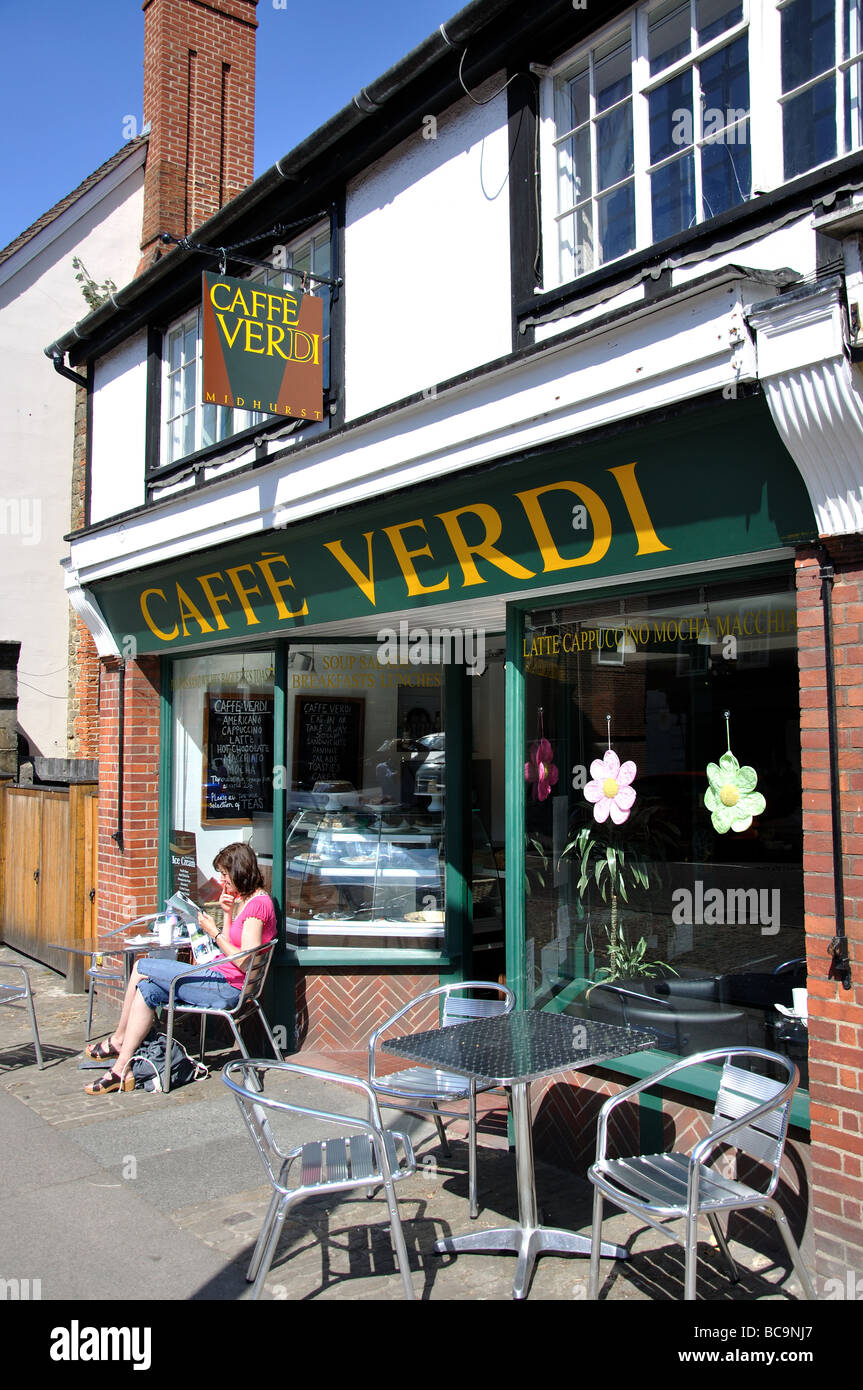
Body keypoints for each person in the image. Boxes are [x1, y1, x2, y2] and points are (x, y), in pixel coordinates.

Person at [84, 842, 276, 1094]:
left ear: (239, 871)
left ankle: (119, 1039)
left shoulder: (258, 906)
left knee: (142, 966)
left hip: (228, 988)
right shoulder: (250, 900)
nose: (222, 881)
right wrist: (227, 913)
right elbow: (236, 946)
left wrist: (213, 931)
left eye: (225, 875)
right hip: (223, 978)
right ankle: (122, 1068)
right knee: (147, 989)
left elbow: (243, 960)